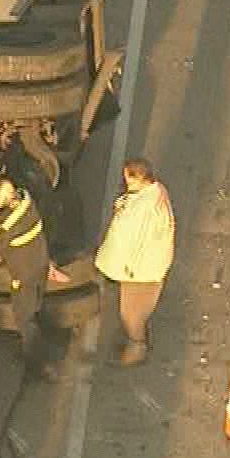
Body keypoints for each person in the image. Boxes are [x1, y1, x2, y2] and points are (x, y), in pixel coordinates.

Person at [94, 156, 175, 366]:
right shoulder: (155, 193)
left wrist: (126, 268)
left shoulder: (141, 211)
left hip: (140, 272)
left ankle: (136, 349)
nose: (125, 184)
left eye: (128, 180)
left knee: (131, 315)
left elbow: (132, 241)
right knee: (136, 310)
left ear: (139, 180)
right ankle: (140, 338)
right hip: (148, 267)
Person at [0, 175, 66, 379]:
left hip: (23, 277)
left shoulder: (5, 225)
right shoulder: (27, 202)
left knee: (24, 319)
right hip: (39, 267)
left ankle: (39, 364)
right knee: (36, 308)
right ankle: (42, 345)